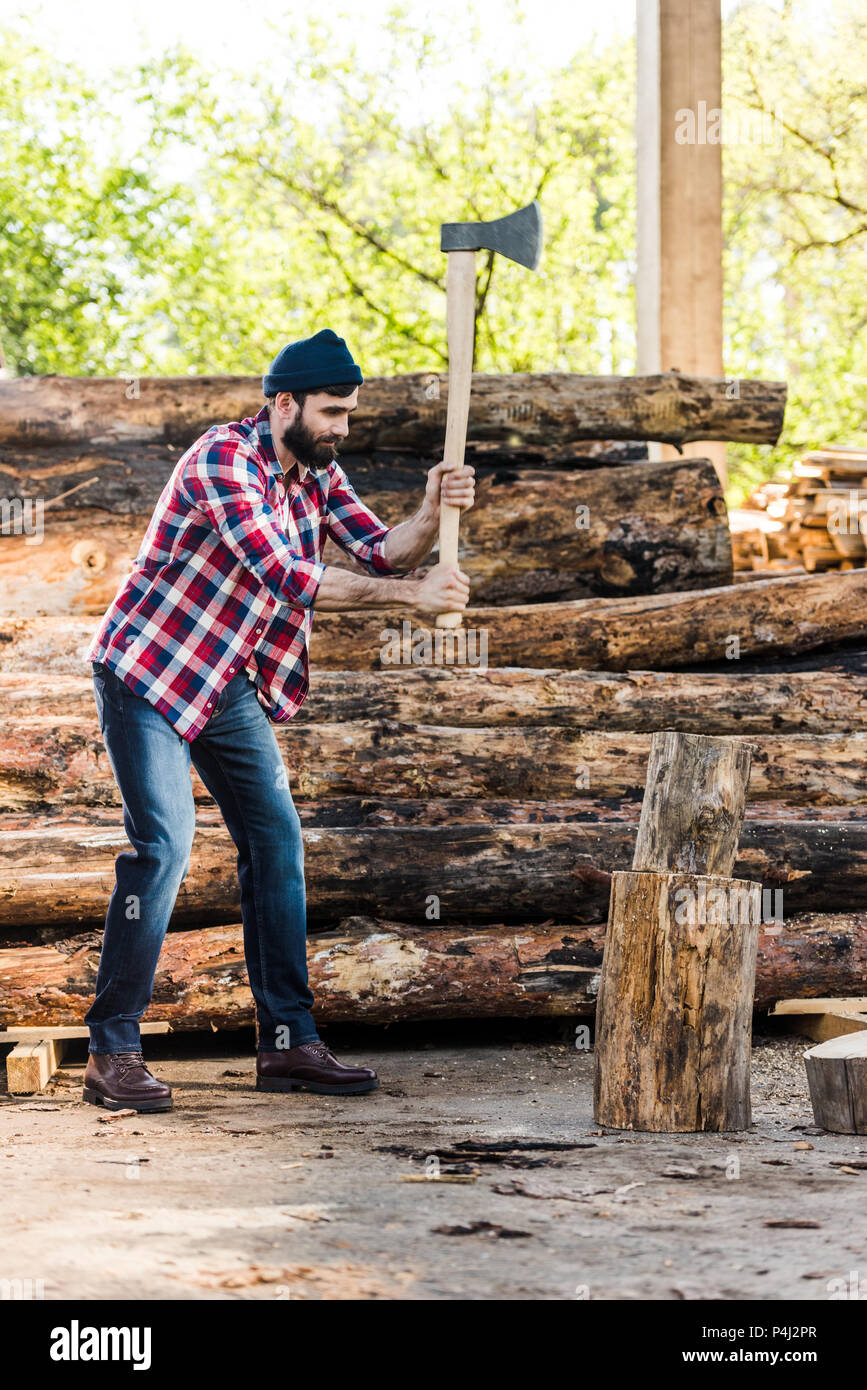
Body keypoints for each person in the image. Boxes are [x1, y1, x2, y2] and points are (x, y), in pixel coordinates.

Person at [83, 328, 474, 1112]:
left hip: (224, 681)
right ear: (283, 402)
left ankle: (290, 1044)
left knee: (275, 840)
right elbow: (283, 573)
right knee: (164, 845)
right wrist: (409, 599)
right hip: (149, 670)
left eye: (350, 415)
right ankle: (112, 1049)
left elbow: (380, 551)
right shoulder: (222, 460)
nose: (342, 429)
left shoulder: (316, 473)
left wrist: (431, 513)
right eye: (332, 412)